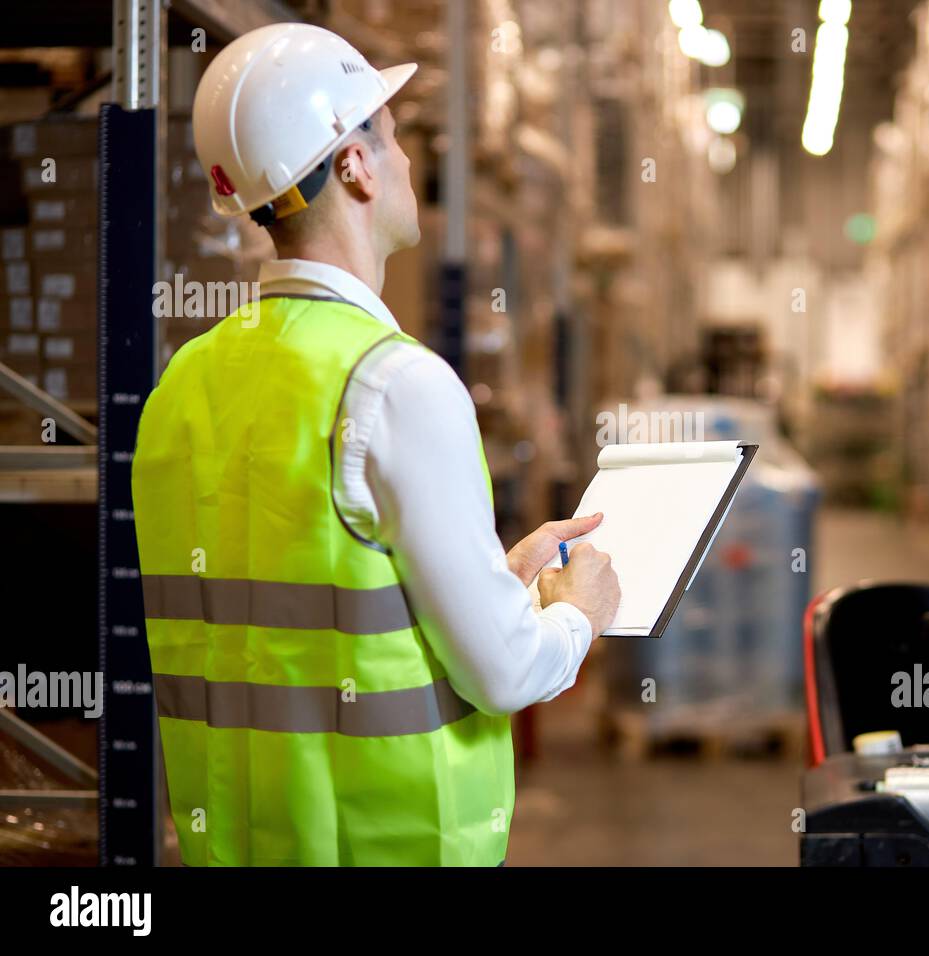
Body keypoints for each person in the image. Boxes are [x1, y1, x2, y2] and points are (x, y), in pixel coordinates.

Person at [131, 23, 620, 866]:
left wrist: (497, 583)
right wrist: (579, 616)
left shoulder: (183, 384)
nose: (403, 162)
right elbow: (502, 675)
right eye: (391, 139)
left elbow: (299, 619)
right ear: (353, 167)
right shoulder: (397, 384)